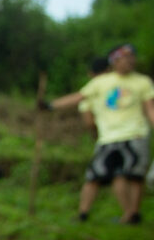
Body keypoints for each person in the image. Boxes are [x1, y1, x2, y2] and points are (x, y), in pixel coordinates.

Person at [43, 43, 154, 224]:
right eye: (125, 58)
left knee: (134, 176)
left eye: (132, 57)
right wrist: (50, 105)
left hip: (136, 134)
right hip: (108, 136)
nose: (130, 61)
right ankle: (83, 213)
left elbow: (150, 109)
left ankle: (132, 215)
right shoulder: (100, 83)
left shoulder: (143, 82)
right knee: (95, 175)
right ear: (115, 61)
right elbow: (78, 97)